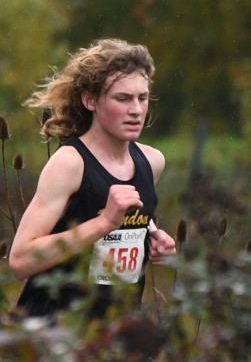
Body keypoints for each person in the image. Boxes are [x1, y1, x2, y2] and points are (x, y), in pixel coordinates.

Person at [9, 39, 177, 318]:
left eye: (142, 98)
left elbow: (123, 219)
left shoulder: (151, 162)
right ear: (90, 101)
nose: (136, 109)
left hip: (115, 333)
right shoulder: (69, 164)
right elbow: (20, 260)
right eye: (122, 99)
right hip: (54, 334)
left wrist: (152, 234)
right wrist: (102, 223)